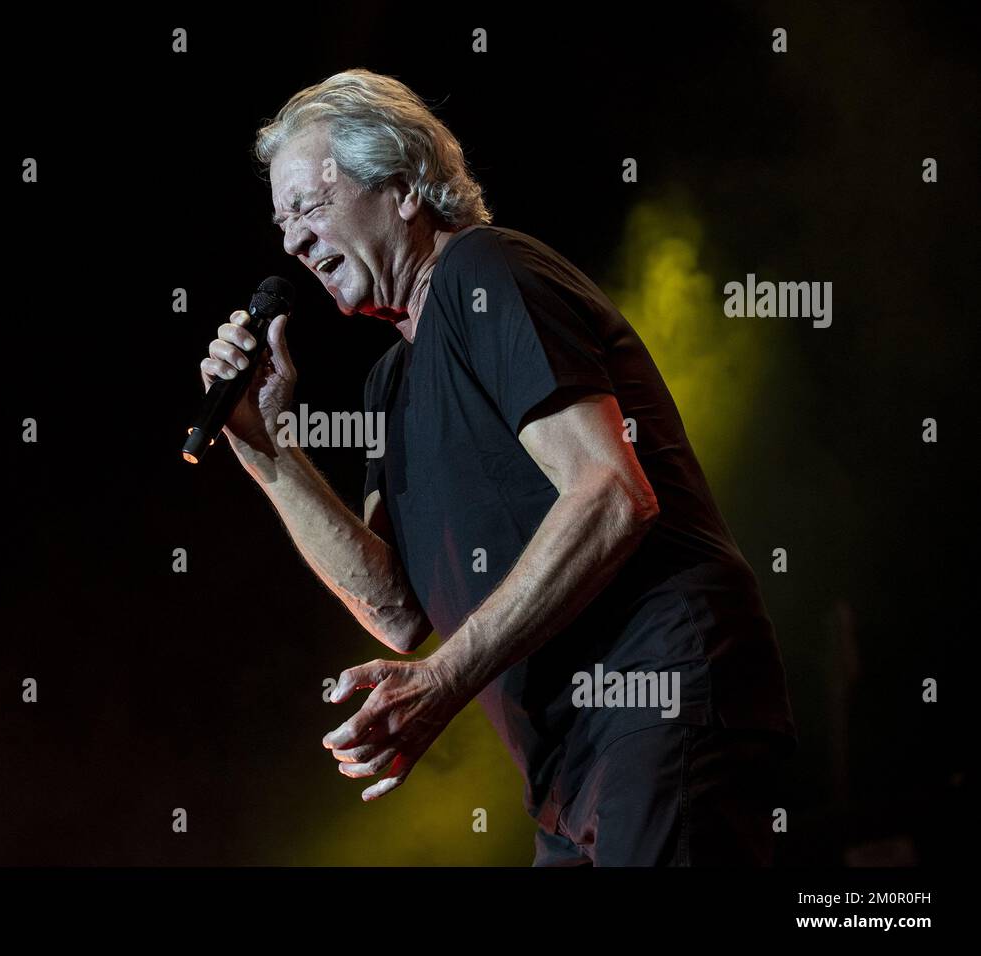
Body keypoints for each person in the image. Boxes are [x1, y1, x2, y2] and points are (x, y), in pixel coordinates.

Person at [199, 69, 796, 866]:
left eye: (307, 206)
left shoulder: (487, 274)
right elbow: (398, 611)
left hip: (662, 699)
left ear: (404, 187)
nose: (293, 241)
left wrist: (443, 681)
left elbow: (613, 493)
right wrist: (264, 447)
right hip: (564, 763)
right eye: (281, 224)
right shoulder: (391, 380)